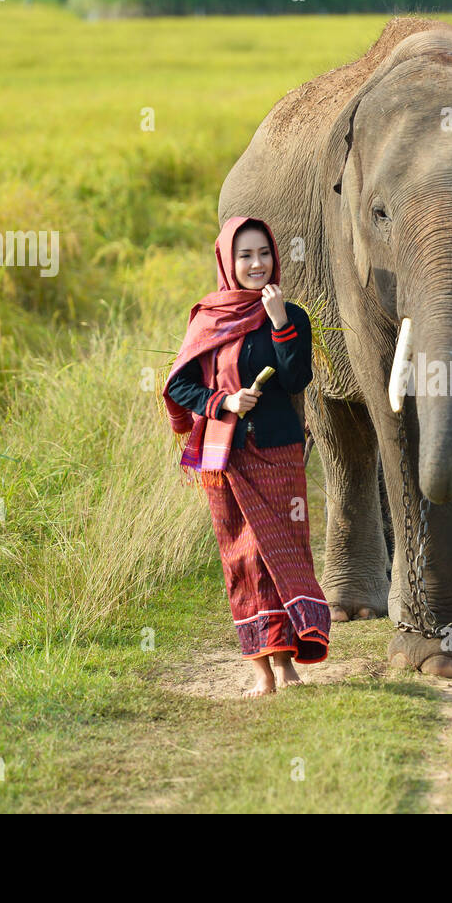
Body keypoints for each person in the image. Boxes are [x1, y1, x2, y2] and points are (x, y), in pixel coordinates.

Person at [162, 216, 329, 698]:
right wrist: (224, 402)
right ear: (227, 262)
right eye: (245, 255)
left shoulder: (291, 315)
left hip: (279, 452)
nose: (257, 264)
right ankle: (261, 672)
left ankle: (289, 662)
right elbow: (179, 385)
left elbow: (297, 379)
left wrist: (279, 324)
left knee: (285, 552)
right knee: (244, 559)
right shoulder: (208, 319)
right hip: (229, 458)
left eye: (264, 253)